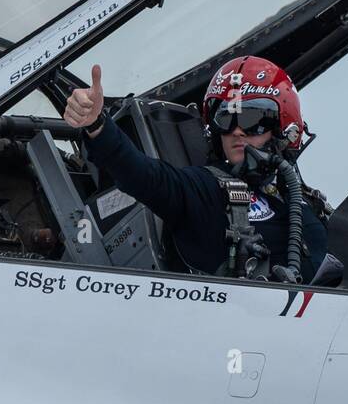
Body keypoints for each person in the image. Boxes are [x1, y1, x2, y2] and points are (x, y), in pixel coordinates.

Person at [64, 55, 329, 283]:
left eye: (252, 119)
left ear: (283, 127)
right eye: (225, 119)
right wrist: (98, 125)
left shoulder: (304, 201)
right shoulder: (203, 189)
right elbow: (144, 176)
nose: (236, 130)